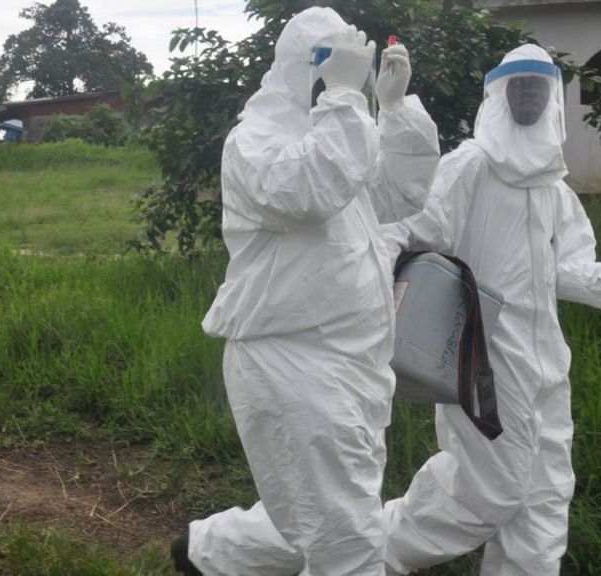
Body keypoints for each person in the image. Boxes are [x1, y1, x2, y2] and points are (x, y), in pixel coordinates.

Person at [379, 44, 601, 575]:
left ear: (553, 98)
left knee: (544, 496)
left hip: (546, 364)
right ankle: (357, 554)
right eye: (516, 86)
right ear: (498, 94)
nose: (526, 96)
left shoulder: (551, 186)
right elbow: (412, 232)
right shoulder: (470, 167)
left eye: (536, 87)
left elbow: (562, 268)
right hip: (481, 358)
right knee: (482, 493)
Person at [172, 7, 440, 575]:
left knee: (328, 518)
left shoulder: (341, 134)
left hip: (355, 361)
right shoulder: (256, 141)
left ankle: (206, 555)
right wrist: (344, 98)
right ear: (300, 66)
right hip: (290, 360)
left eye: (347, 66)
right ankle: (209, 553)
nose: (340, 77)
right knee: (347, 540)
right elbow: (308, 190)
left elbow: (400, 195)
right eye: (329, 63)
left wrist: (391, 110)